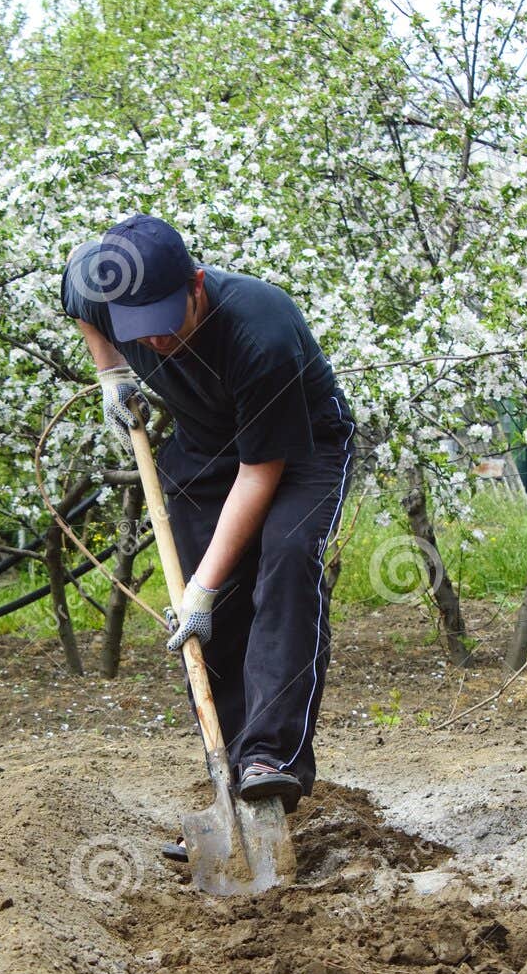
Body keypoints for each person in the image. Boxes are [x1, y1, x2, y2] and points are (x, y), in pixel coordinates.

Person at [61, 213, 353, 850]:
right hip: (202, 449)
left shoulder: (261, 328)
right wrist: (111, 370)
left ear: (196, 285)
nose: (159, 343)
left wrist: (203, 586)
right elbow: (75, 298)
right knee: (212, 622)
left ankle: (271, 761)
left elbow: (259, 472)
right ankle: (232, 781)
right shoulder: (100, 284)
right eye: (143, 332)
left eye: (169, 324)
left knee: (285, 559)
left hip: (299, 451)